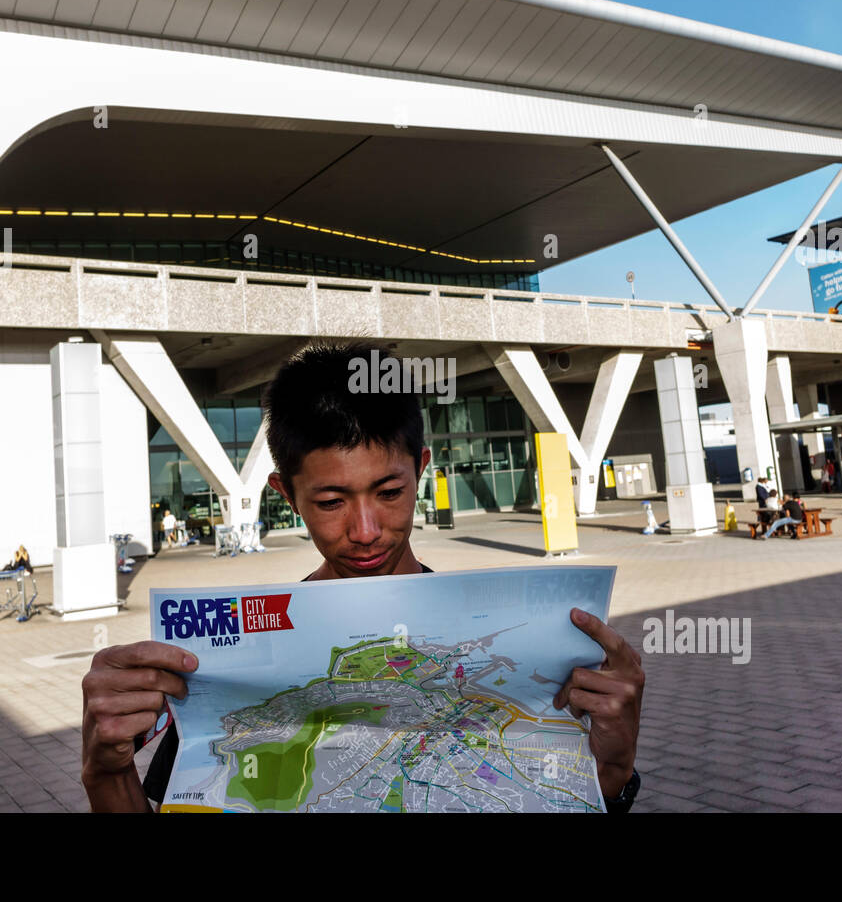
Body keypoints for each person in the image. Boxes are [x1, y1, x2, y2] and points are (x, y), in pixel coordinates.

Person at [80, 342, 644, 813]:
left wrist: (613, 769)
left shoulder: (535, 655)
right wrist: (105, 775)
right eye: (330, 501)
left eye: (390, 492)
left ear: (422, 469)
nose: (367, 529)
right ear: (286, 495)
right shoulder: (233, 659)